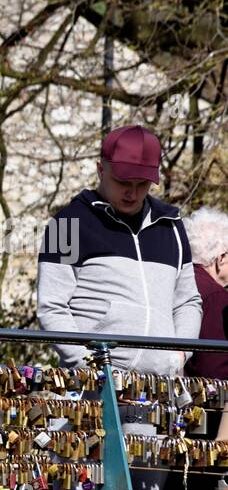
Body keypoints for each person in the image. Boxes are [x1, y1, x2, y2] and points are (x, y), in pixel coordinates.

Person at [37, 124, 201, 376]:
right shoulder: (66, 224)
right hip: (91, 392)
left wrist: (179, 356)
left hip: (159, 390)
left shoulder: (172, 226)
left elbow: (188, 301)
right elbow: (52, 308)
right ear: (101, 169)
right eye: (123, 181)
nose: (132, 193)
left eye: (143, 183)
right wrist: (95, 370)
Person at [183, 207, 228, 382]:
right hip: (198, 401)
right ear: (221, 258)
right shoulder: (216, 297)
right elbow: (215, 369)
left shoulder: (177, 280)